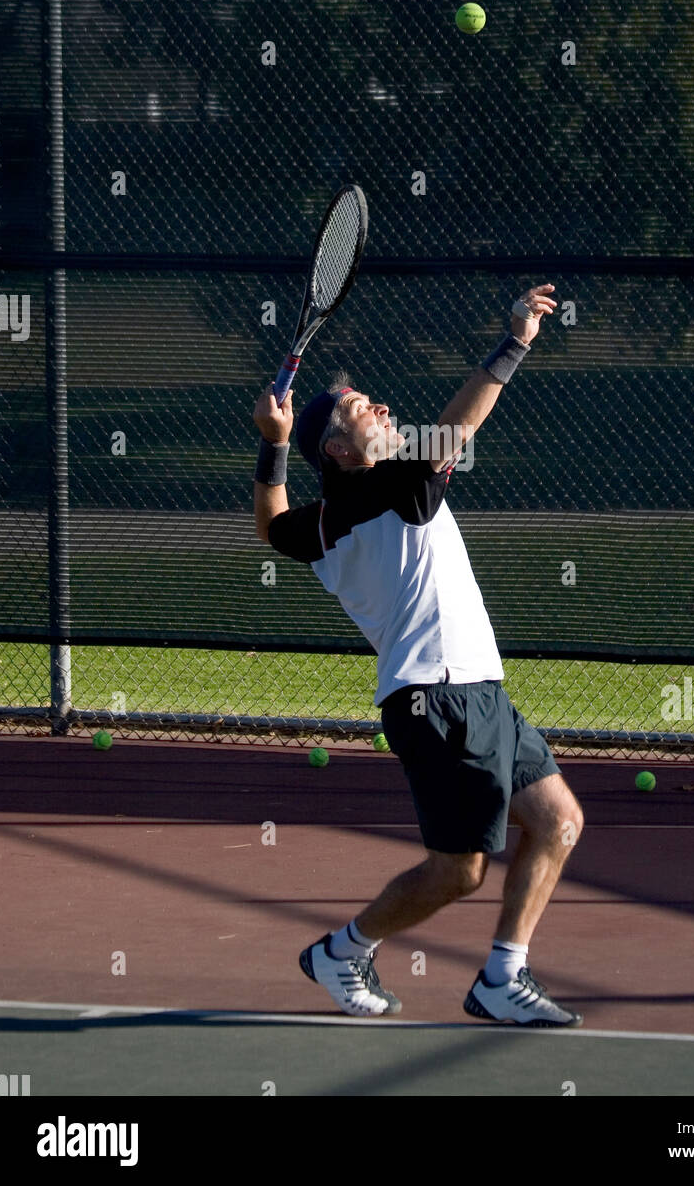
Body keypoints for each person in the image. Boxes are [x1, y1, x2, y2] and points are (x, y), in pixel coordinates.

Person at [252, 283, 584, 1027]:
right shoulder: (391, 490)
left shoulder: (325, 521)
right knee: (460, 870)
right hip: (440, 700)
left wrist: (273, 446)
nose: (374, 405)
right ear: (340, 452)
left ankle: (502, 977)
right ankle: (343, 950)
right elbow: (459, 424)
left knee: (557, 820)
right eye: (356, 409)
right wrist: (516, 341)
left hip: (475, 693)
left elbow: (270, 526)